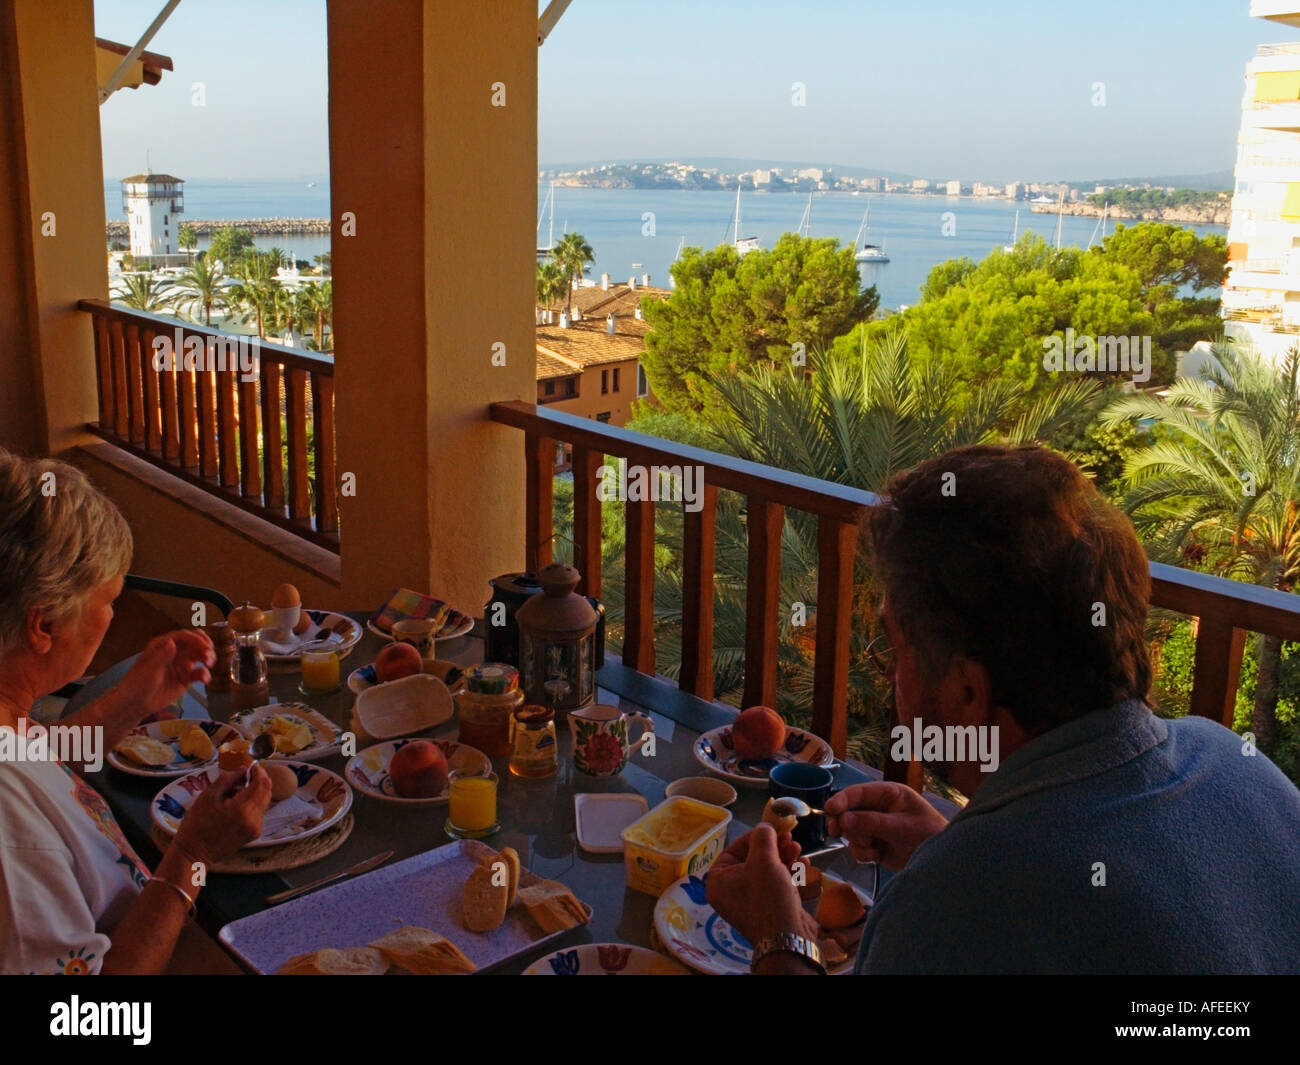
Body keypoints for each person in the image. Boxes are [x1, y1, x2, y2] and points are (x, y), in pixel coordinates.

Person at [708, 445, 1300, 974]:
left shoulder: (945, 914)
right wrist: (957, 846)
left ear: (967, 692)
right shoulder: (1241, 766)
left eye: (893, 645)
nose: (889, 672)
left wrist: (780, 939)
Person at [0, 447, 270, 974]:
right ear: (45, 627)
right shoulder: (10, 835)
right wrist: (192, 856)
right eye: (109, 601)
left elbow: (32, 760)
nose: (112, 617)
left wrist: (135, 699)